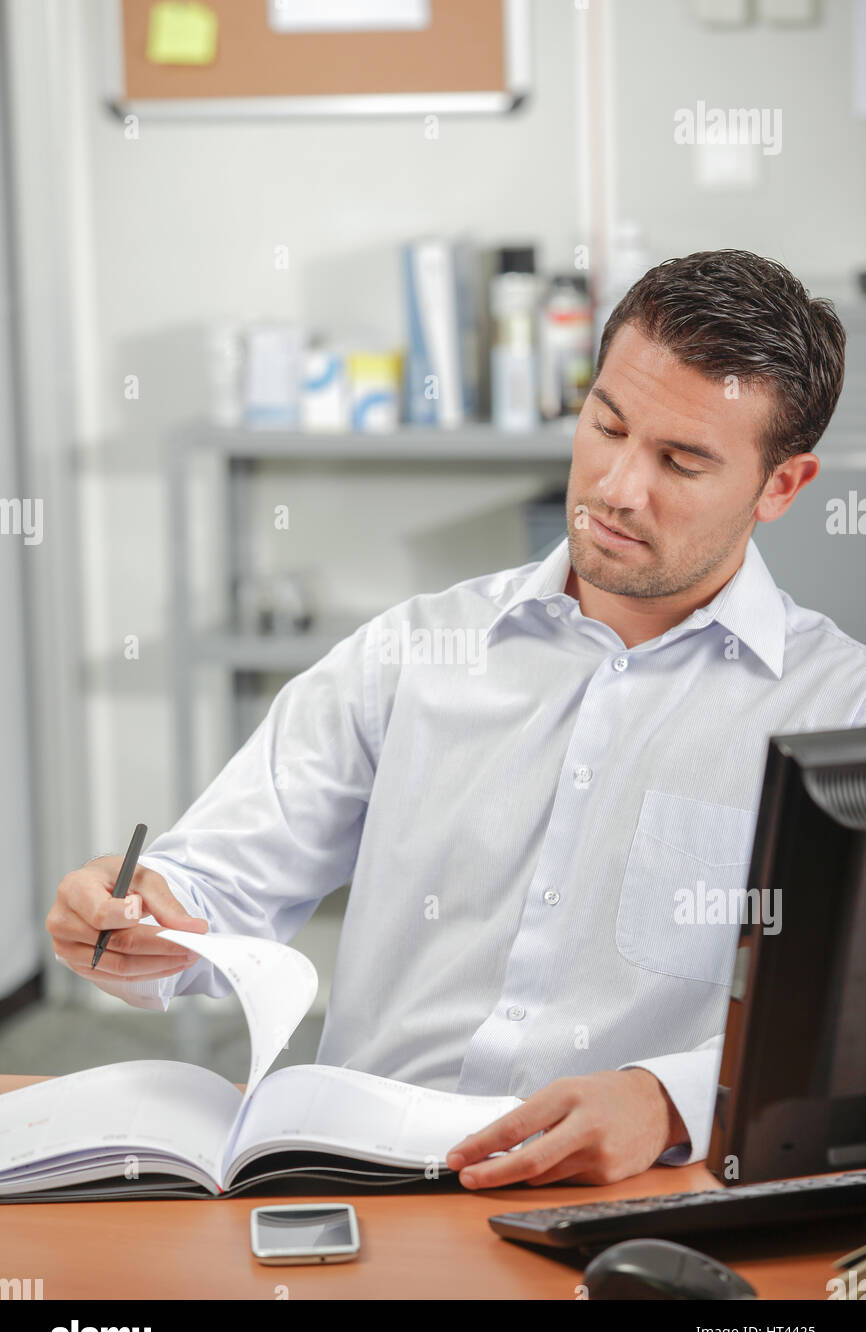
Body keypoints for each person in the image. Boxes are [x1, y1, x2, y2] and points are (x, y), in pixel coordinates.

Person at [46, 248, 866, 1190]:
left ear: (782, 487)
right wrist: (134, 919)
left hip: (633, 1203)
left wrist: (669, 1099)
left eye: (681, 461)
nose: (617, 488)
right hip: (358, 1190)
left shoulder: (838, 710)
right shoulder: (410, 655)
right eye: (607, 426)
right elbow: (209, 893)